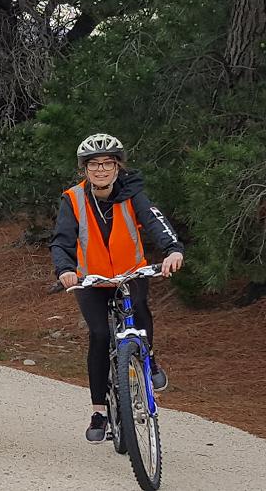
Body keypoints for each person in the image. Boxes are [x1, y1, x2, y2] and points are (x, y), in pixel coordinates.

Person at [50, 133, 185, 443]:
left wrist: (173, 249)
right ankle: (99, 410)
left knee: (139, 309)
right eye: (94, 164)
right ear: (84, 168)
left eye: (107, 163)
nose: (100, 170)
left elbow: (154, 221)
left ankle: (147, 358)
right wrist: (66, 270)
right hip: (91, 279)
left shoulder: (132, 193)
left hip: (130, 272)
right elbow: (62, 240)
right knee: (99, 334)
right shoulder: (72, 199)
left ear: (118, 167)